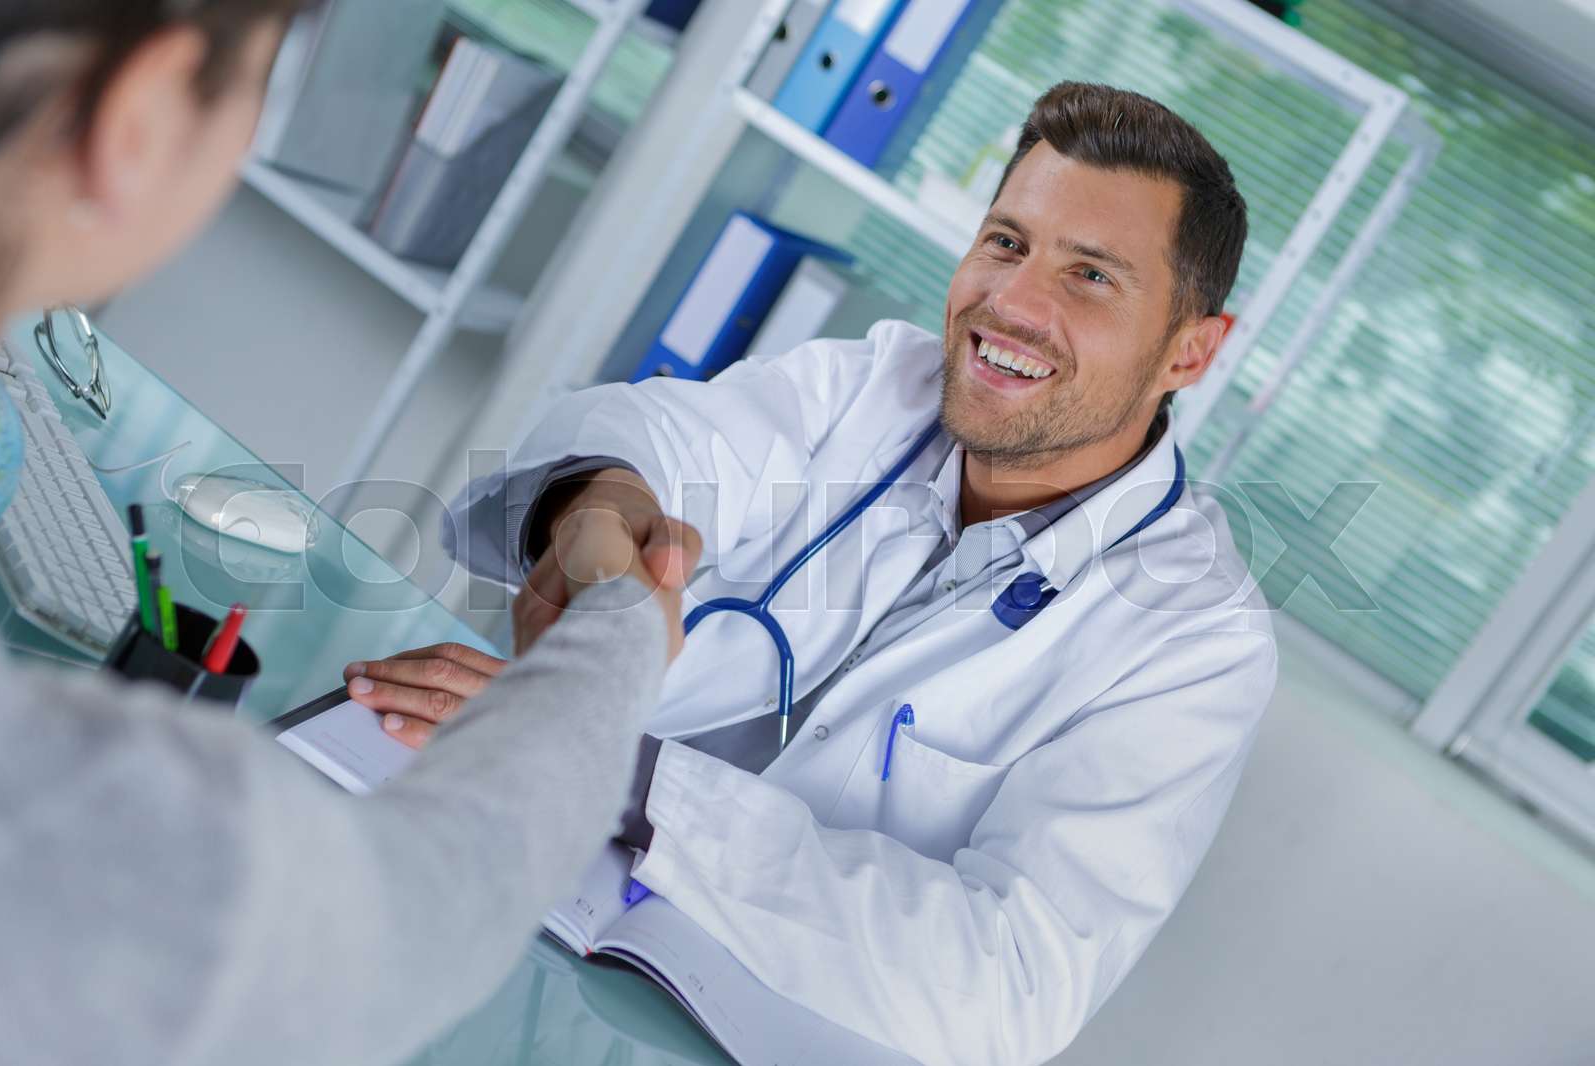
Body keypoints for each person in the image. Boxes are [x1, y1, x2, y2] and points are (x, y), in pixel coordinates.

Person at [360, 82, 1278, 1065]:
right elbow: (651, 438)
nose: (1011, 302)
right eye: (1005, 242)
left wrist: (625, 774)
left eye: (1090, 275)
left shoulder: (1199, 638)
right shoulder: (872, 383)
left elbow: (1010, 984)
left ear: (1191, 349)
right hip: (534, 913)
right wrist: (599, 511)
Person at [0, 4, 693, 1065]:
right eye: (266, 79)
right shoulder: (92, 827)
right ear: (136, 121)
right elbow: (429, 897)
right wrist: (625, 633)